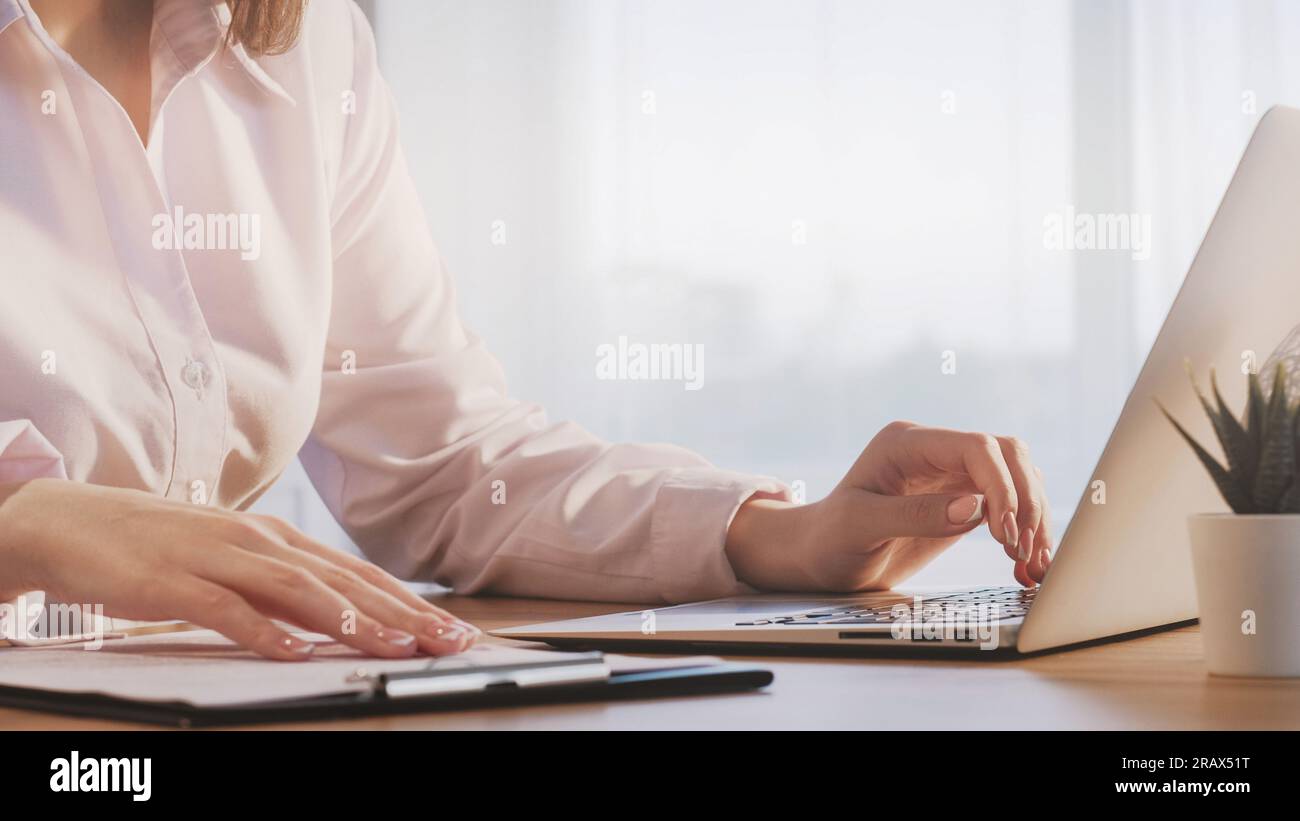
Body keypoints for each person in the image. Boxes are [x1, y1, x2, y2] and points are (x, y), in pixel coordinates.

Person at [0, 0, 1052, 660]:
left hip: (214, 696)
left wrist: (786, 535)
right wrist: (24, 523)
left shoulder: (308, 45)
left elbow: (447, 463)